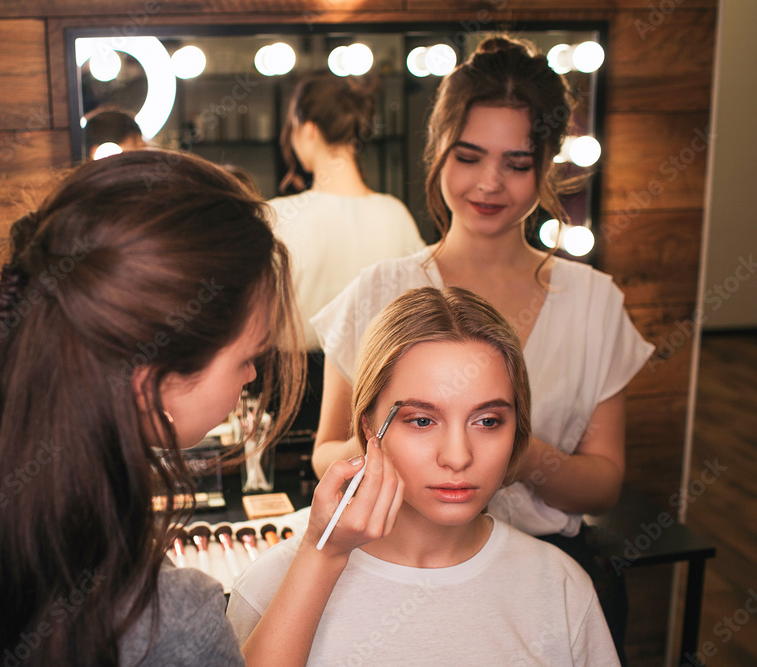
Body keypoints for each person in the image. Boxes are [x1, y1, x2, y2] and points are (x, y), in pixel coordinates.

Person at [0, 150, 304, 667]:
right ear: (151, 378)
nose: (250, 377)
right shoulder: (165, 619)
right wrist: (322, 557)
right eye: (247, 358)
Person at [309, 37, 653, 661]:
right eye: (469, 156)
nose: (490, 183)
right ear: (438, 151)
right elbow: (328, 449)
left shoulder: (594, 302)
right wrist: (420, 448)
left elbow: (603, 485)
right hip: (396, 569)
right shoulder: (380, 290)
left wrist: (519, 458)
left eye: (518, 163)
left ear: (547, 164)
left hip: (548, 580)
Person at [228, 286, 620, 666]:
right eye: (421, 420)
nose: (457, 456)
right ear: (369, 427)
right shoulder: (270, 587)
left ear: (517, 428)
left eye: (487, 420)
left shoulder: (561, 589)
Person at [270, 70, 425, 350]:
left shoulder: (279, 216)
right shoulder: (396, 215)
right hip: (378, 378)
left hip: (294, 384)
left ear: (308, 131)